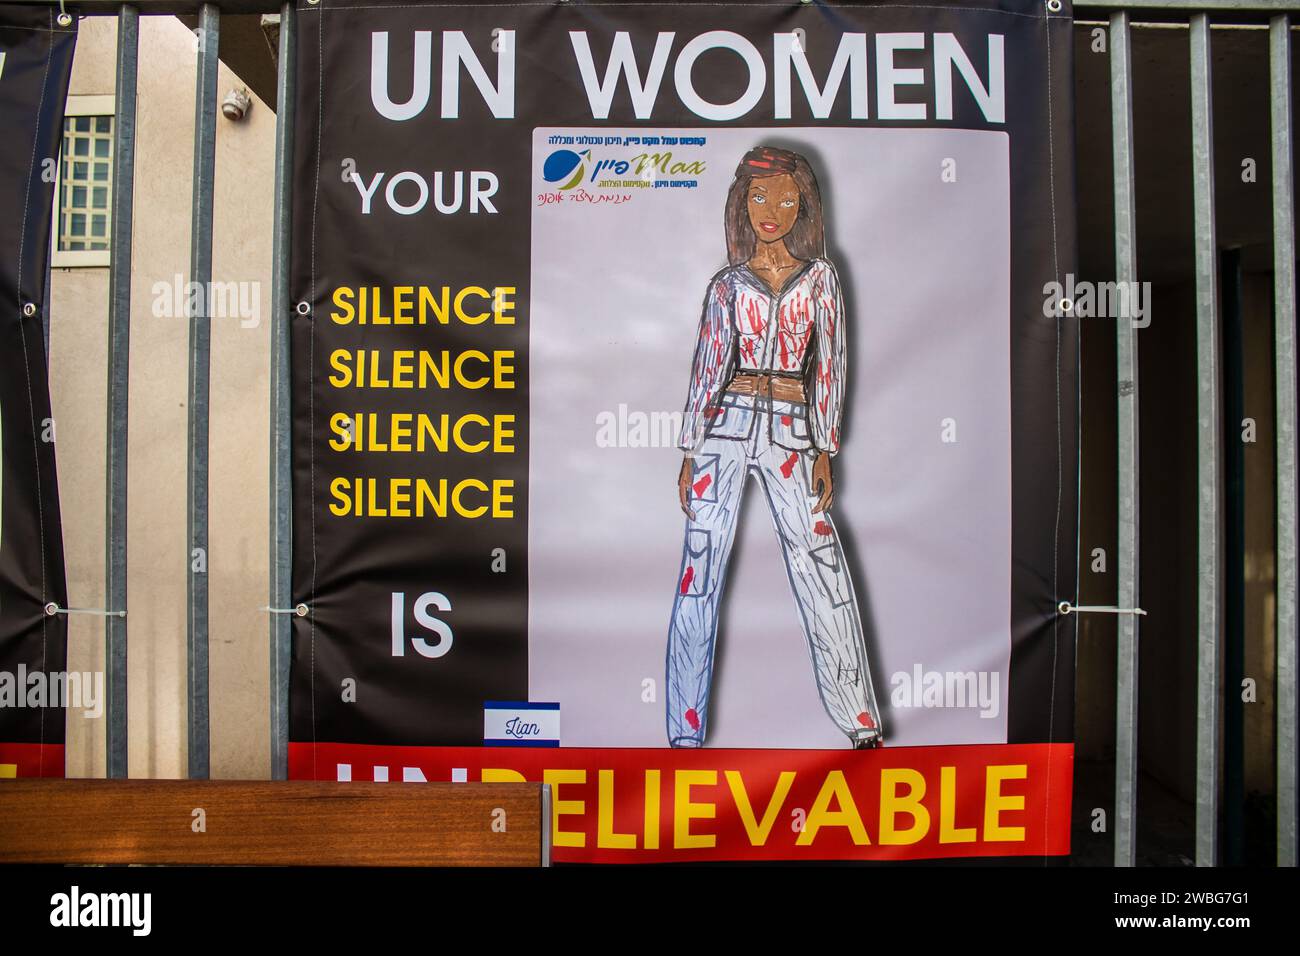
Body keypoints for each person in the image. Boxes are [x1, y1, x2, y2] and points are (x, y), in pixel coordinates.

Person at [665, 145, 883, 749]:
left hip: (792, 430)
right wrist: (690, 448)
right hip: (724, 430)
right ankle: (684, 732)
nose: (772, 209)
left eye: (787, 198)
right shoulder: (726, 285)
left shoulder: (821, 280)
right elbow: (708, 367)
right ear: (742, 203)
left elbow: (830, 367)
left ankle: (859, 719)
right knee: (700, 567)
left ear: (803, 206)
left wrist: (824, 446)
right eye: (760, 196)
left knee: (818, 559)